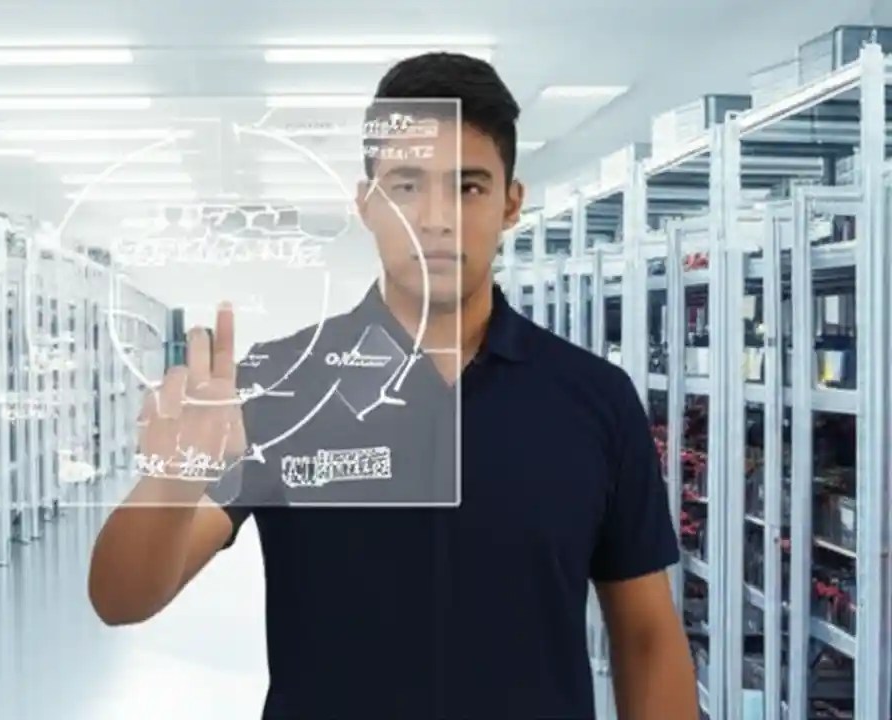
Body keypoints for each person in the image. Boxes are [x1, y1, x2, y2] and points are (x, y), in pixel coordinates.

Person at [89, 52, 697, 719]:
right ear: (367, 203)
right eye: (406, 186)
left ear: (511, 203)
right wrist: (171, 480)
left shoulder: (596, 399)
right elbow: (123, 598)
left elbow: (645, 636)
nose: (435, 218)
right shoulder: (283, 387)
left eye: (467, 187)